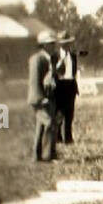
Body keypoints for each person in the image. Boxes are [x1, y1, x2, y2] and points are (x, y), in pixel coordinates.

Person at [27, 30, 59, 162]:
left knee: (41, 126)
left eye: (53, 43)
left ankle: (37, 155)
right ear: (43, 45)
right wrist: (40, 98)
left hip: (48, 97)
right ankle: (48, 156)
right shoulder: (37, 59)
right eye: (50, 43)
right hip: (39, 99)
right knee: (50, 123)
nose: (53, 46)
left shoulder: (50, 58)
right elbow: (34, 80)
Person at [53, 30, 80, 143]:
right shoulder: (55, 56)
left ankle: (68, 137)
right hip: (60, 86)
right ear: (60, 44)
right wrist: (60, 61)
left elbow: (74, 71)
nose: (66, 45)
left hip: (70, 86)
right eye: (64, 43)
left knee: (70, 113)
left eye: (68, 43)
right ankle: (58, 136)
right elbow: (54, 71)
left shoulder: (73, 55)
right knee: (59, 113)